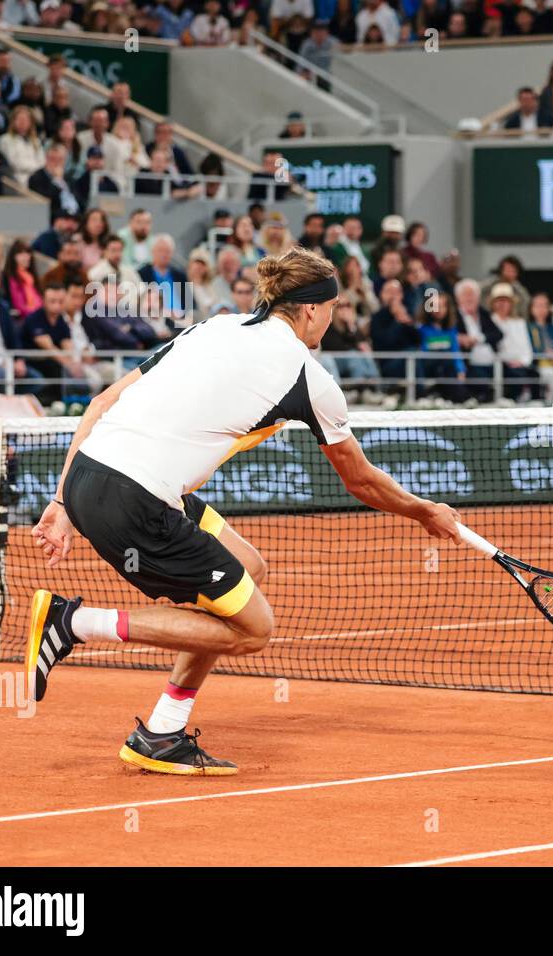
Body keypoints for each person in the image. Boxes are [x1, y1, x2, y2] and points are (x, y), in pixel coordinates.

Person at [27, 247, 462, 773]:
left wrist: (61, 500)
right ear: (309, 311)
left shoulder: (212, 327)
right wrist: (425, 512)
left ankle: (162, 732)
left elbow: (101, 405)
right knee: (254, 629)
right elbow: (361, 480)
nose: (335, 315)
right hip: (135, 499)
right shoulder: (310, 378)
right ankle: (74, 622)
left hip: (90, 475)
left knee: (249, 569)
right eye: (332, 306)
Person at [453, 277, 501, 402]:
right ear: (458, 298)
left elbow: (498, 334)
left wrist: (479, 339)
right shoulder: (453, 315)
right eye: (466, 295)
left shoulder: (483, 313)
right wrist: (459, 338)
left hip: (492, 361)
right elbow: (448, 333)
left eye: (473, 294)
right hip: (468, 362)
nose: (470, 298)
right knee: (480, 377)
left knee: (516, 374)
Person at [489, 282, 536, 401]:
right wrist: (508, 361)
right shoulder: (489, 321)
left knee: (535, 374)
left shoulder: (519, 322)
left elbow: (527, 348)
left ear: (511, 303)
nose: (502, 304)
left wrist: (522, 362)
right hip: (501, 364)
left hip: (521, 364)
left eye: (506, 301)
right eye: (499, 300)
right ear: (493, 303)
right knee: (516, 375)